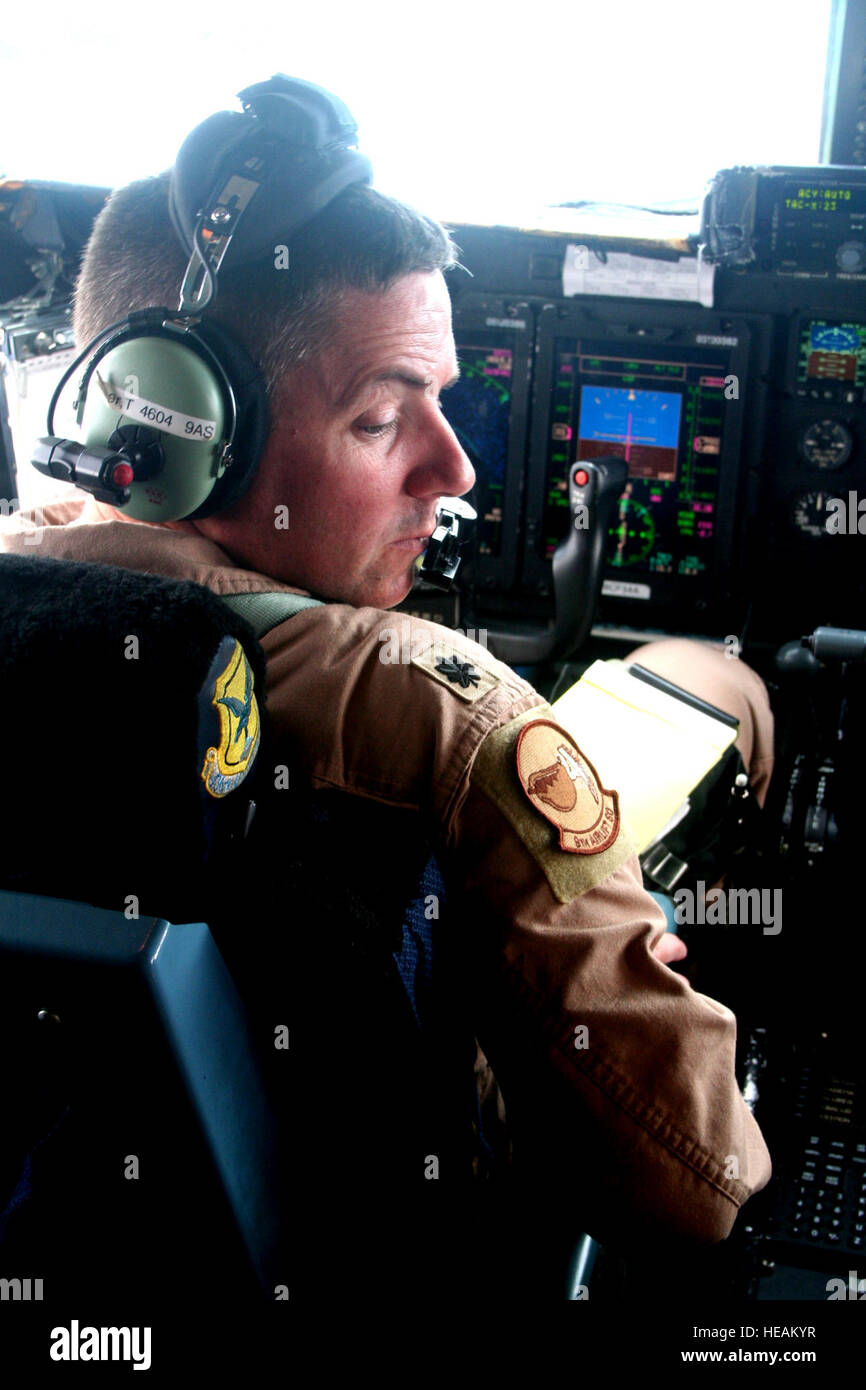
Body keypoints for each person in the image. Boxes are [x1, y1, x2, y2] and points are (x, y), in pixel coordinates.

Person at [0, 151, 773, 1297]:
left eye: (446, 400)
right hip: (400, 1247)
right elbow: (698, 1182)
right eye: (378, 419)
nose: (453, 467)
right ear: (184, 437)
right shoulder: (446, 715)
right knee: (711, 677)